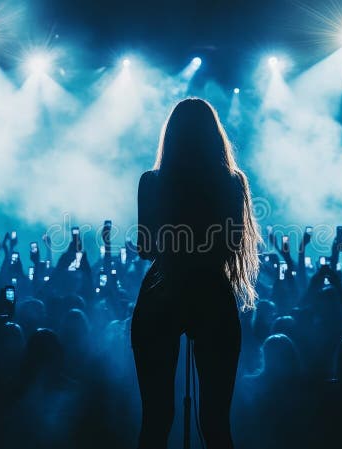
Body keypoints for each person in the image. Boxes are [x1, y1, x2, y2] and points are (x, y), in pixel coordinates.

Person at [131, 98, 260, 448]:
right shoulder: (232, 183)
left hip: (162, 289)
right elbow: (234, 244)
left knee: (156, 419)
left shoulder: (151, 182)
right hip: (211, 293)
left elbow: (146, 248)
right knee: (216, 422)